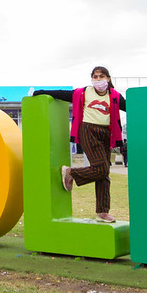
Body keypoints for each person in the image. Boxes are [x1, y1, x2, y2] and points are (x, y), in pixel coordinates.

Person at [33, 66, 126, 223]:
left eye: (101, 76)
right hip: (88, 130)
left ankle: (102, 212)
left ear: (108, 79)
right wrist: (41, 91)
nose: (98, 80)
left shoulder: (115, 96)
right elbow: (62, 94)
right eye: (95, 77)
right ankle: (70, 172)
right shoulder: (83, 92)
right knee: (102, 168)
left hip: (106, 133)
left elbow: (130, 107)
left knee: (104, 173)